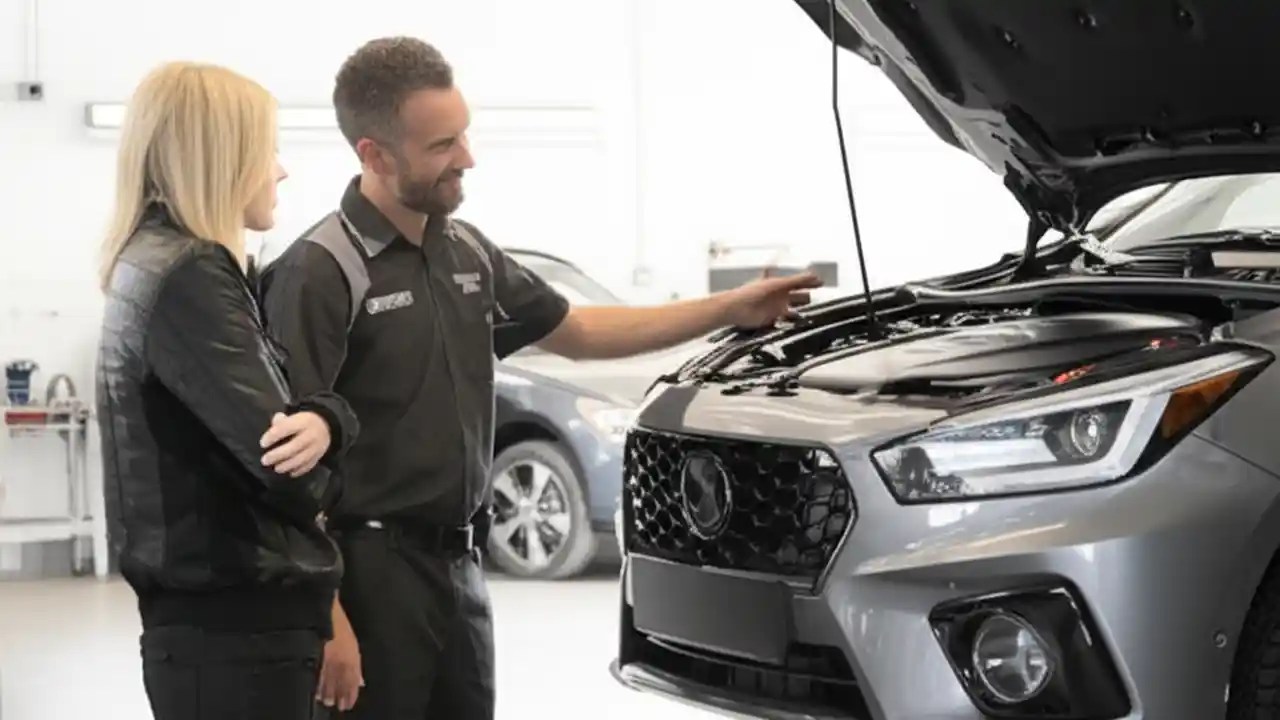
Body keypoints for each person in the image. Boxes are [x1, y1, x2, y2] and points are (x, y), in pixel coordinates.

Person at [257, 36, 820, 719]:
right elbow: (286, 465)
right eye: (442, 146)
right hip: (370, 574)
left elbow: (578, 331)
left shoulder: (465, 249)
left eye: (463, 134)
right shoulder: (319, 271)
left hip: (461, 568)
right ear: (373, 155)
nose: (467, 157)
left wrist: (731, 308)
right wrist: (328, 618)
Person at [95, 60, 360, 720]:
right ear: (220, 156)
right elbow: (286, 471)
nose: (280, 168)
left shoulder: (148, 261)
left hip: (202, 629)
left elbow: (268, 425)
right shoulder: (192, 274)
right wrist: (336, 438)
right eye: (266, 149)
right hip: (240, 635)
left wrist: (325, 417)